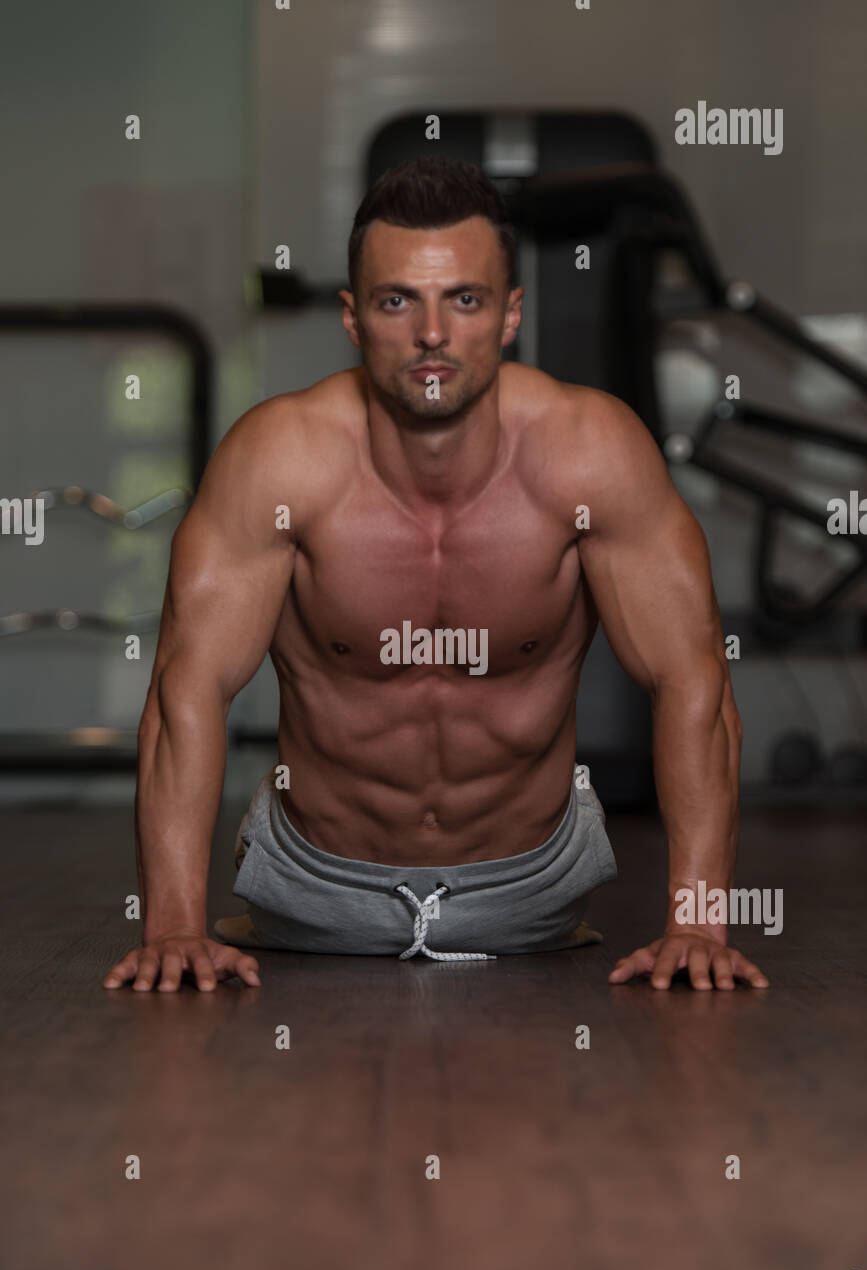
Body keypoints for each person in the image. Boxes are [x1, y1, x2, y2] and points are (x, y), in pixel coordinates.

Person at [104, 155, 767, 994]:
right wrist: (171, 929)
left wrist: (698, 927)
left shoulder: (589, 454)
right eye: (396, 301)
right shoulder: (279, 461)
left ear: (509, 315)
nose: (431, 334)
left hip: (530, 890)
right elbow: (183, 692)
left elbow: (694, 685)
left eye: (464, 298)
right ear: (352, 318)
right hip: (314, 889)